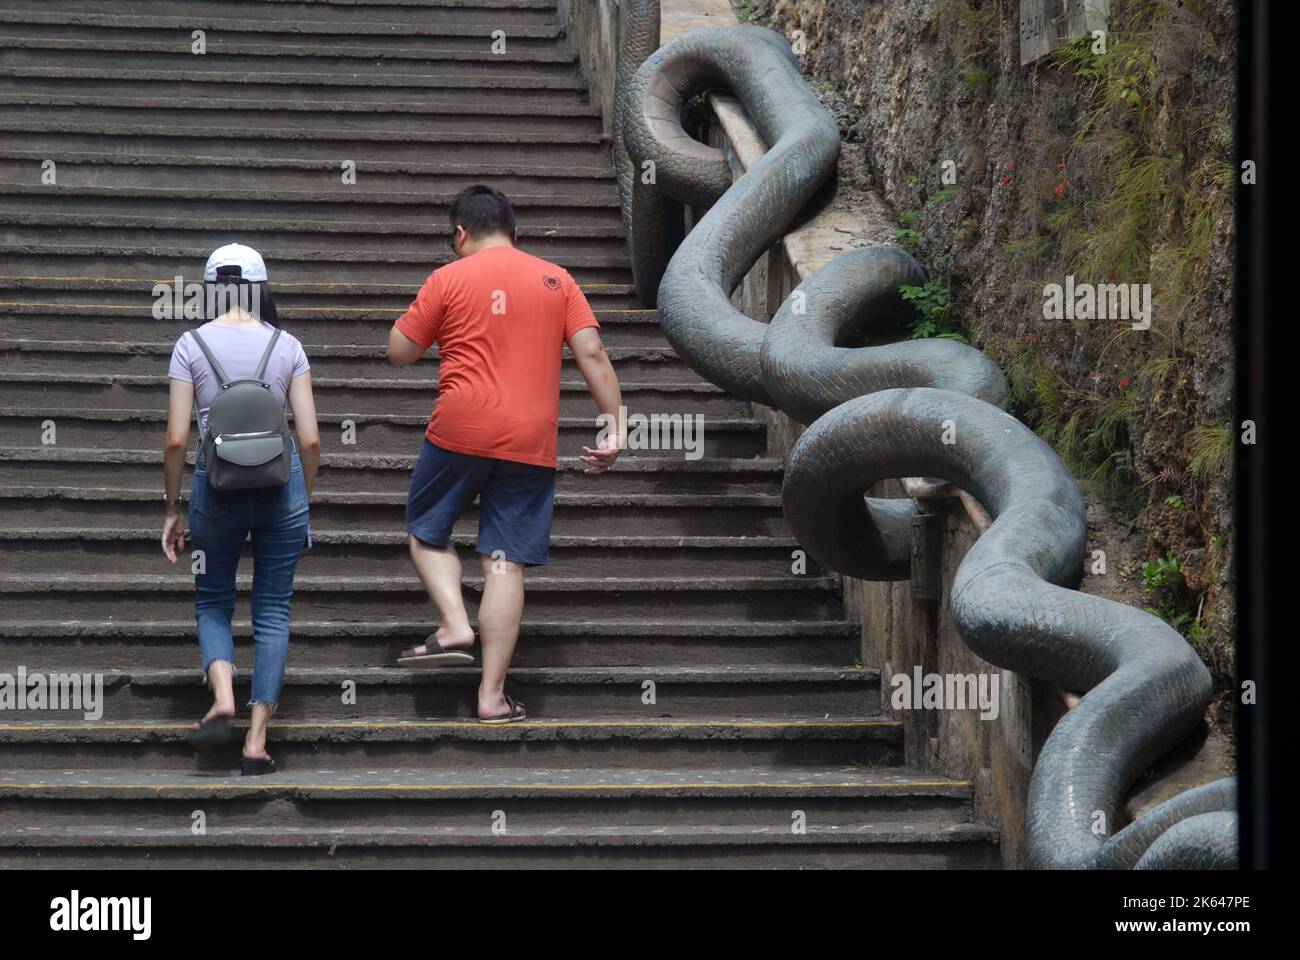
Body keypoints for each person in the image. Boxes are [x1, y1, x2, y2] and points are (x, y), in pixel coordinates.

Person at [387, 185, 623, 723]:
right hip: (529, 438)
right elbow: (593, 351)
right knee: (505, 563)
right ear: (516, 233)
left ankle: (453, 624)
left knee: (426, 532)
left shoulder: (448, 277)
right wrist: (615, 427)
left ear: (460, 234)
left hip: (459, 428)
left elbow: (399, 351)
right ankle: (491, 698)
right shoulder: (557, 279)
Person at [161, 243, 321, 774]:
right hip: (282, 486)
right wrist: (304, 497)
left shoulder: (190, 344)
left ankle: (224, 694)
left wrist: (172, 507)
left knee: (213, 600)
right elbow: (313, 440)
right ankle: (256, 740)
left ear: (212, 286)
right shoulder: (287, 344)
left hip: (216, 486)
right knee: (274, 610)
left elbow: (177, 439)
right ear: (261, 286)